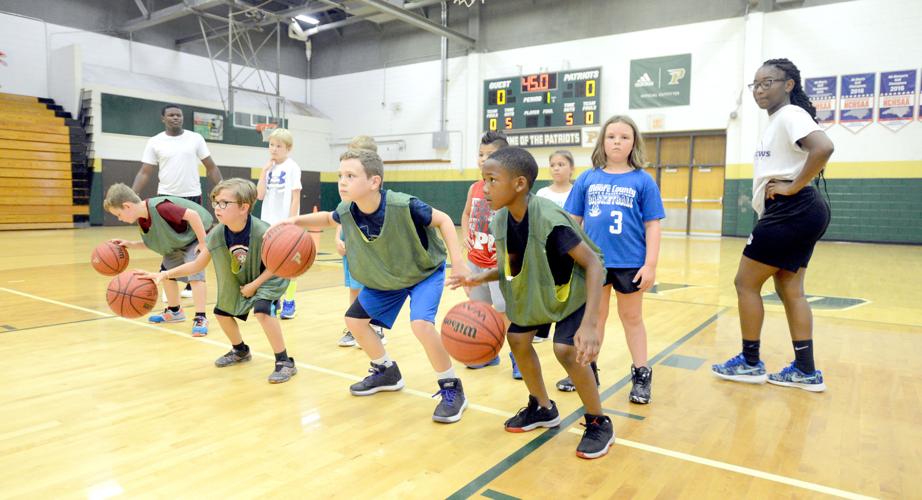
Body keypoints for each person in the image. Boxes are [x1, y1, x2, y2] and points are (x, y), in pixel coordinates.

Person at [279, 149, 470, 423]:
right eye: (340, 176)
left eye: (350, 176)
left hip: (424, 272)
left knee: (421, 324)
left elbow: (443, 220)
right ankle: (386, 371)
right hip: (389, 277)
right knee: (354, 321)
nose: (342, 182)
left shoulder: (404, 205)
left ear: (374, 181)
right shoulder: (349, 210)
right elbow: (329, 218)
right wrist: (295, 221)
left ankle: (452, 387)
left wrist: (458, 262)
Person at [448, 147, 614, 459]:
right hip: (540, 289)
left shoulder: (550, 220)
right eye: (484, 180)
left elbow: (593, 264)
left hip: (573, 292)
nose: (485, 188)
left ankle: (598, 421)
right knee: (517, 339)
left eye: (492, 180)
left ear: (519, 184)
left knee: (566, 349)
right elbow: (513, 264)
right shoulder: (501, 220)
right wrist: (478, 278)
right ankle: (542, 407)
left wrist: (591, 324)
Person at [712, 58, 833, 392]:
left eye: (768, 82)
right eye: (756, 84)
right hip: (802, 210)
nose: (760, 90)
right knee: (790, 289)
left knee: (745, 283)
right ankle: (805, 370)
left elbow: (823, 148)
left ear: (788, 84)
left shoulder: (790, 114)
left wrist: (792, 187)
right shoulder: (779, 120)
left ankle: (750, 362)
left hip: (792, 208)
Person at [140, 178, 297, 384]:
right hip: (244, 276)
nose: (217, 208)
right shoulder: (217, 234)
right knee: (221, 313)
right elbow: (197, 265)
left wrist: (254, 285)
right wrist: (165, 274)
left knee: (262, 311)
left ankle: (284, 361)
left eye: (224, 203)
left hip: (269, 276)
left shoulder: (263, 232)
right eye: (216, 202)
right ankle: (240, 350)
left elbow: (278, 263)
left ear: (243, 208)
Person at [564, 115, 664, 403]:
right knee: (595, 318)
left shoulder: (643, 181)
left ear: (634, 143)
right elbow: (572, 221)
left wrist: (650, 264)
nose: (617, 142)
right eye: (611, 136)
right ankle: (587, 370)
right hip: (593, 262)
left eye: (624, 137)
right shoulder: (587, 178)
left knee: (632, 318)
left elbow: (652, 225)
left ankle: (641, 374)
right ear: (602, 142)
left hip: (630, 262)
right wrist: (567, 255)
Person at [133, 104, 223, 300]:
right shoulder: (155, 142)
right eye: (171, 115)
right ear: (163, 119)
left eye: (179, 115)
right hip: (165, 198)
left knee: (194, 243)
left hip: (192, 196)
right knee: (170, 241)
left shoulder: (195, 138)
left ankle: (191, 283)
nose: (176, 118)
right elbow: (144, 172)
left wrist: (223, 188)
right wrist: (132, 194)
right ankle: (170, 280)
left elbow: (211, 166)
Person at [104, 183, 212, 336]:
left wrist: (203, 242)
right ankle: (175, 311)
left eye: (119, 215)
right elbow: (155, 242)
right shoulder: (143, 220)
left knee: (195, 272)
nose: (119, 219)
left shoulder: (161, 208)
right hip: (179, 241)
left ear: (127, 206)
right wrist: (130, 244)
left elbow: (193, 215)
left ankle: (201, 317)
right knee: (165, 272)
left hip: (197, 234)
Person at [459, 132, 517, 375]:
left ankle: (518, 357)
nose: (483, 159)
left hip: (499, 264)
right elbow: (466, 214)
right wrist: (465, 235)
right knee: (480, 310)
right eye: (481, 154)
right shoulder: (474, 188)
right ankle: (487, 353)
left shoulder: (509, 189)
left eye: (490, 155)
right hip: (475, 260)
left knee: (505, 310)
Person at [335, 135, 385, 347]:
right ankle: (353, 326)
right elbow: (341, 214)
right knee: (354, 287)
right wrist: (338, 237)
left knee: (373, 287)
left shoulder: (372, 189)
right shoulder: (348, 187)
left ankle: (377, 327)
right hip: (351, 243)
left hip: (369, 244)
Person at [256, 128, 302, 319]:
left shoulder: (292, 167)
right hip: (267, 223)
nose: (274, 149)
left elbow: (295, 197)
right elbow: (259, 195)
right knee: (269, 263)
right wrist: (263, 172)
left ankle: (289, 301)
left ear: (288, 148)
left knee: (289, 264)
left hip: (285, 223)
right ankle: (275, 299)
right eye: (271, 145)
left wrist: (290, 222)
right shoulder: (269, 168)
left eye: (279, 146)